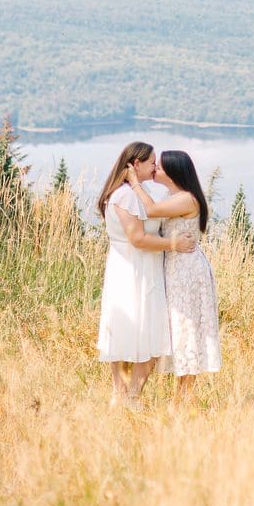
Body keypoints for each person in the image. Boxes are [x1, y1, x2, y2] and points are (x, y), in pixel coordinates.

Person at [95, 141, 195, 407]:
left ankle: (124, 396)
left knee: (131, 332)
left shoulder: (131, 192)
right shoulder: (126, 195)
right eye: (151, 162)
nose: (155, 168)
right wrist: (174, 244)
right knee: (145, 333)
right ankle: (129, 396)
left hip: (133, 267)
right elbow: (138, 238)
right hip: (134, 270)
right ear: (135, 164)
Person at [127, 148, 221, 404]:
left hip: (187, 271)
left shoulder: (187, 199)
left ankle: (183, 399)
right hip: (176, 268)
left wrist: (134, 183)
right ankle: (177, 398)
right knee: (175, 329)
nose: (155, 168)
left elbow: (151, 210)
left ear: (174, 171)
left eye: (160, 166)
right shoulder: (175, 195)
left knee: (186, 328)